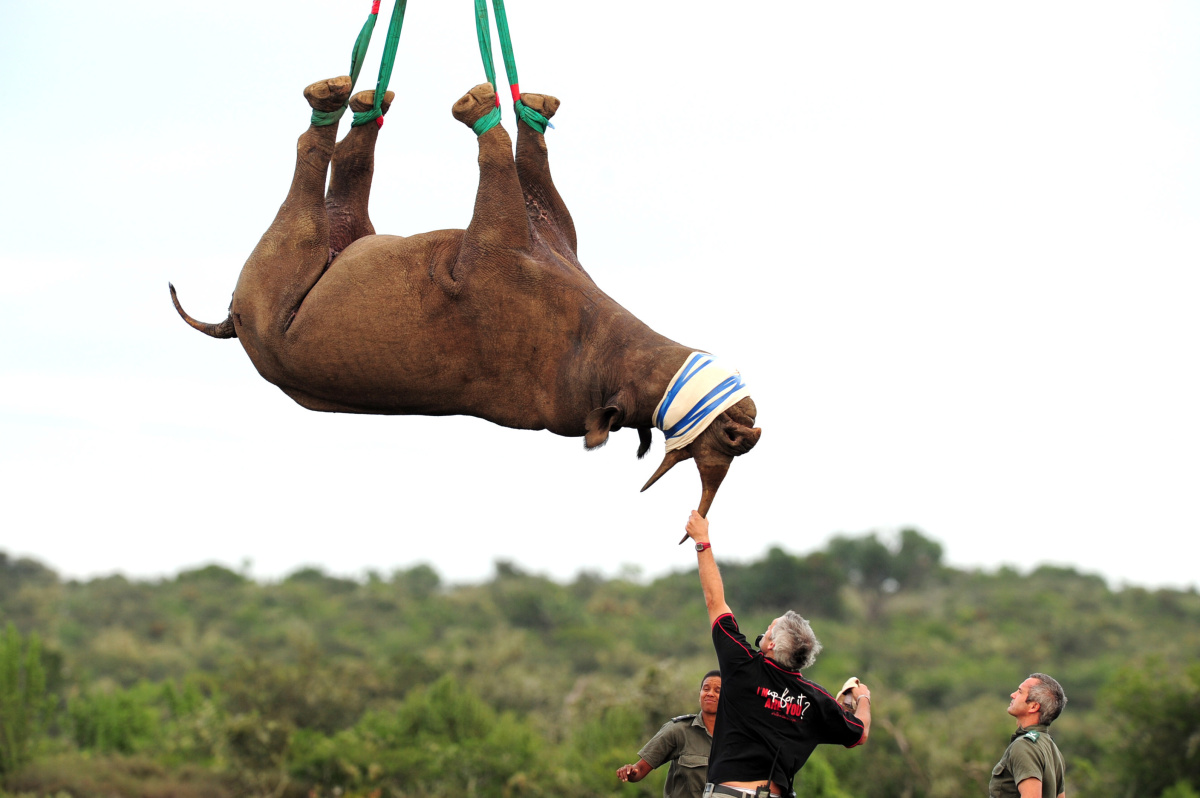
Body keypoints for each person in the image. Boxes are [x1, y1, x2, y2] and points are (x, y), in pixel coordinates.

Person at [684, 511, 871, 798]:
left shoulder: (742, 664)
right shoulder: (815, 699)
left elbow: (714, 600)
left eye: (770, 628)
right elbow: (859, 733)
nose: (766, 630)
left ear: (770, 644)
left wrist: (702, 540)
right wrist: (863, 698)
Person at [616, 670, 723, 797]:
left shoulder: (738, 737)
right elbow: (640, 770)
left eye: (717, 691)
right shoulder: (679, 730)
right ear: (699, 694)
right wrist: (631, 771)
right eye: (706, 689)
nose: (710, 694)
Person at [989, 674, 1068, 798]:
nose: (1013, 694)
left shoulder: (1024, 746)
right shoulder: (1052, 748)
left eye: (1020, 692)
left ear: (1033, 706)